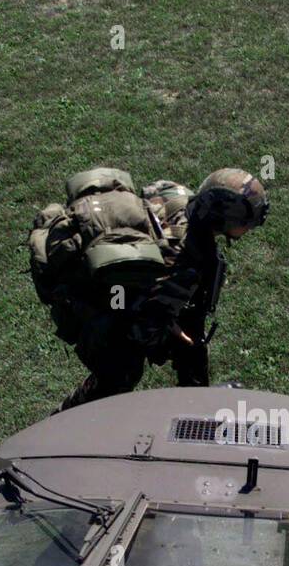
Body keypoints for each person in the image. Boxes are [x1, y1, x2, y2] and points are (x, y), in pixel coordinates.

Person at [55, 168, 269, 411]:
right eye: (245, 223)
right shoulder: (187, 263)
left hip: (122, 289)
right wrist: (170, 331)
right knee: (120, 374)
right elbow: (144, 329)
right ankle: (67, 419)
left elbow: (149, 193)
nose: (248, 228)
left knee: (191, 350)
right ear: (222, 219)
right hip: (109, 305)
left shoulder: (177, 193)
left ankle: (196, 405)